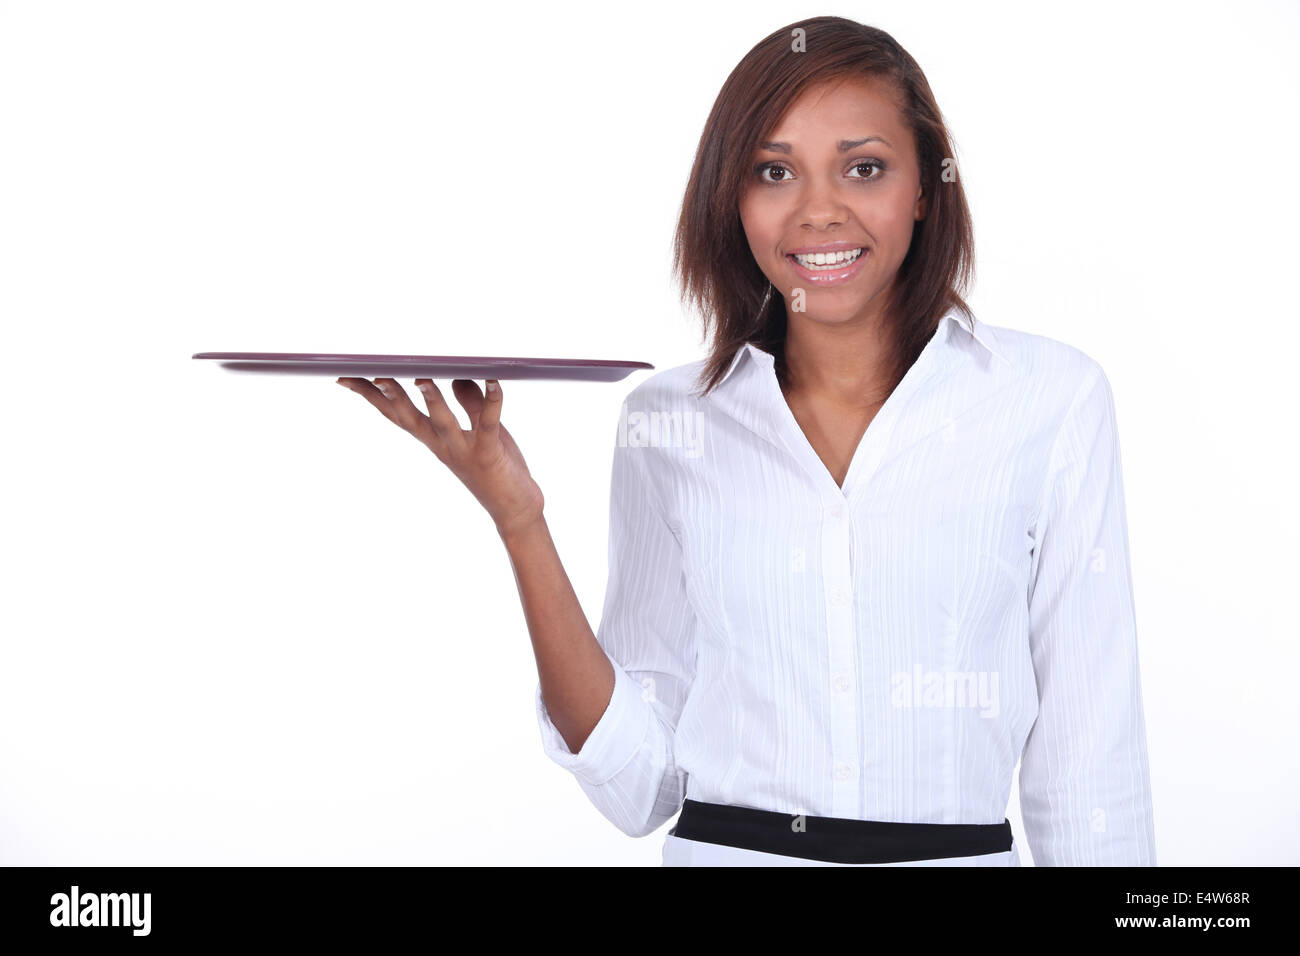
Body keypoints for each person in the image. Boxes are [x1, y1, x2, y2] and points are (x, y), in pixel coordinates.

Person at [336, 15, 1156, 867]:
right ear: (732, 197)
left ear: (925, 186)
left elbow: (1092, 768)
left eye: (864, 167)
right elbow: (639, 788)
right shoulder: (670, 423)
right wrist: (518, 518)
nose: (820, 210)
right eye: (774, 171)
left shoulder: (1049, 401)